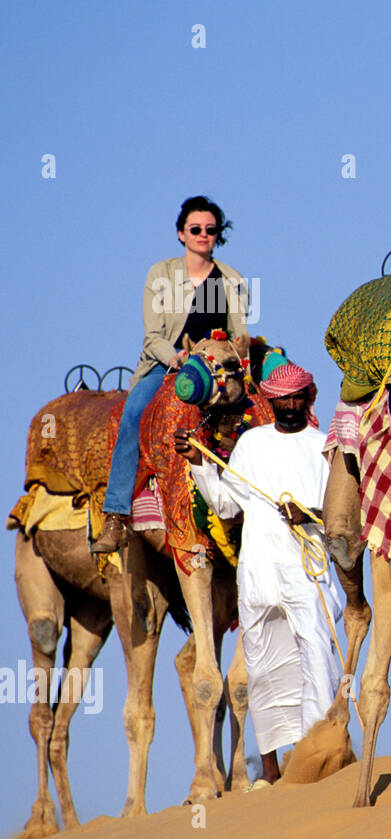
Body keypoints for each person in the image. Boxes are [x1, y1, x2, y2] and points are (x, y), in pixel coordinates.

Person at [173, 363, 342, 784]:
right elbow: (227, 506)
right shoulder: (251, 445)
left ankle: (321, 756)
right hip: (259, 569)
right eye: (281, 399)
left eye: (296, 398)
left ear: (309, 398)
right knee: (262, 664)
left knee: (317, 655)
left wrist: (310, 515)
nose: (288, 405)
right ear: (270, 401)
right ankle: (269, 770)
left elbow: (343, 518)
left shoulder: (326, 448)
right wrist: (199, 465)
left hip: (307, 569)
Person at [93, 195, 250, 553]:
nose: (203, 235)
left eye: (210, 230)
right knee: (133, 413)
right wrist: (178, 358)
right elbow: (152, 337)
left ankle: (253, 499)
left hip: (218, 368)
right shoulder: (161, 275)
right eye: (195, 229)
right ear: (181, 233)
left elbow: (240, 335)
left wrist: (245, 368)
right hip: (167, 365)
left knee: (260, 412)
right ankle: (116, 516)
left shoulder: (232, 280)